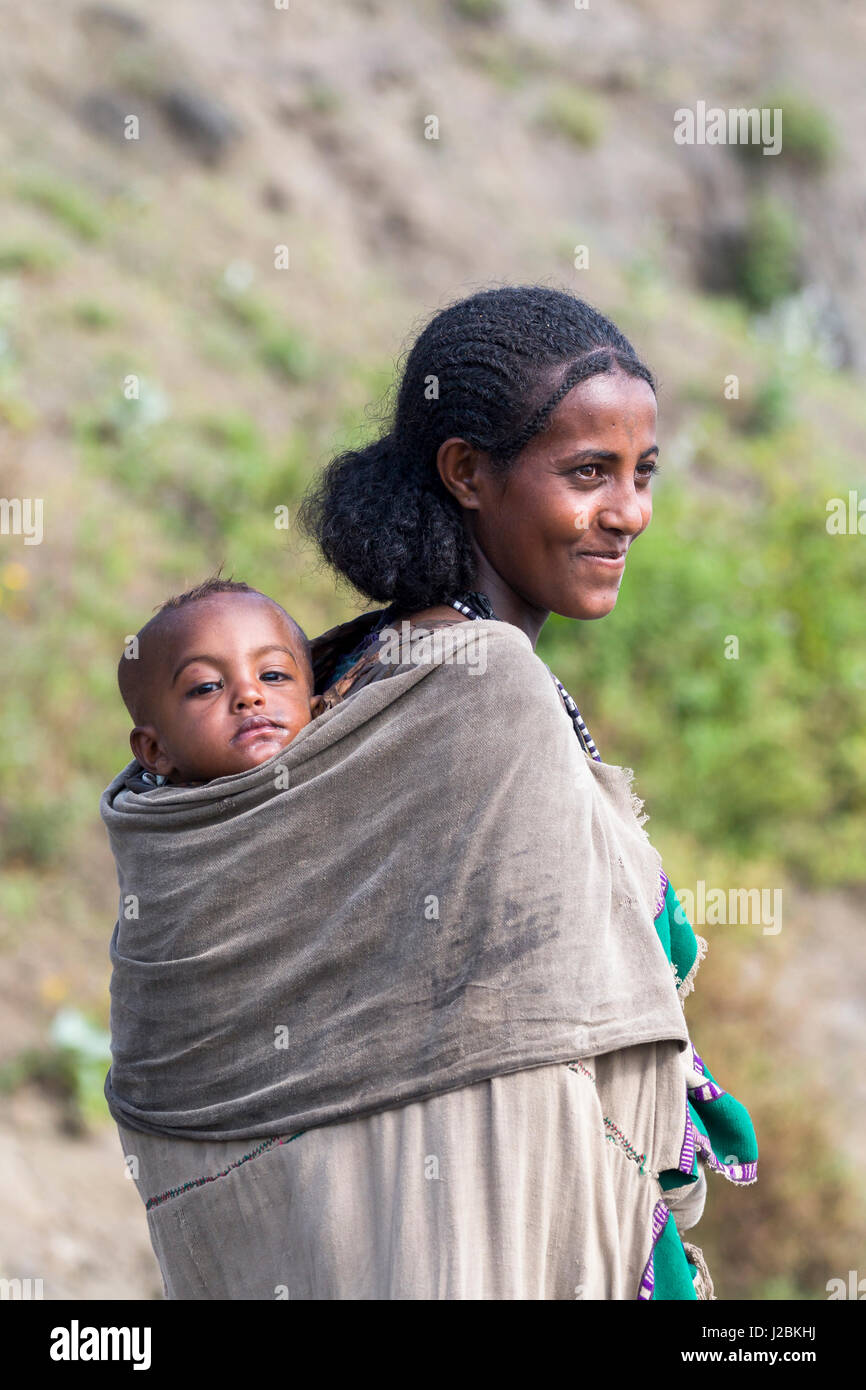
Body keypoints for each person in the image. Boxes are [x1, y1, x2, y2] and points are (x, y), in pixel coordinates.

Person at [110, 284, 756, 1301]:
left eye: (641, 474)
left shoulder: (372, 665)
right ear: (465, 470)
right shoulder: (482, 686)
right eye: (586, 472)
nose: (626, 512)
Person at [114, 578, 325, 789]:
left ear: (317, 711)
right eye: (207, 687)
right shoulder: (153, 819)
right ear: (155, 750)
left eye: (272, 676)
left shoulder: (347, 781)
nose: (249, 695)